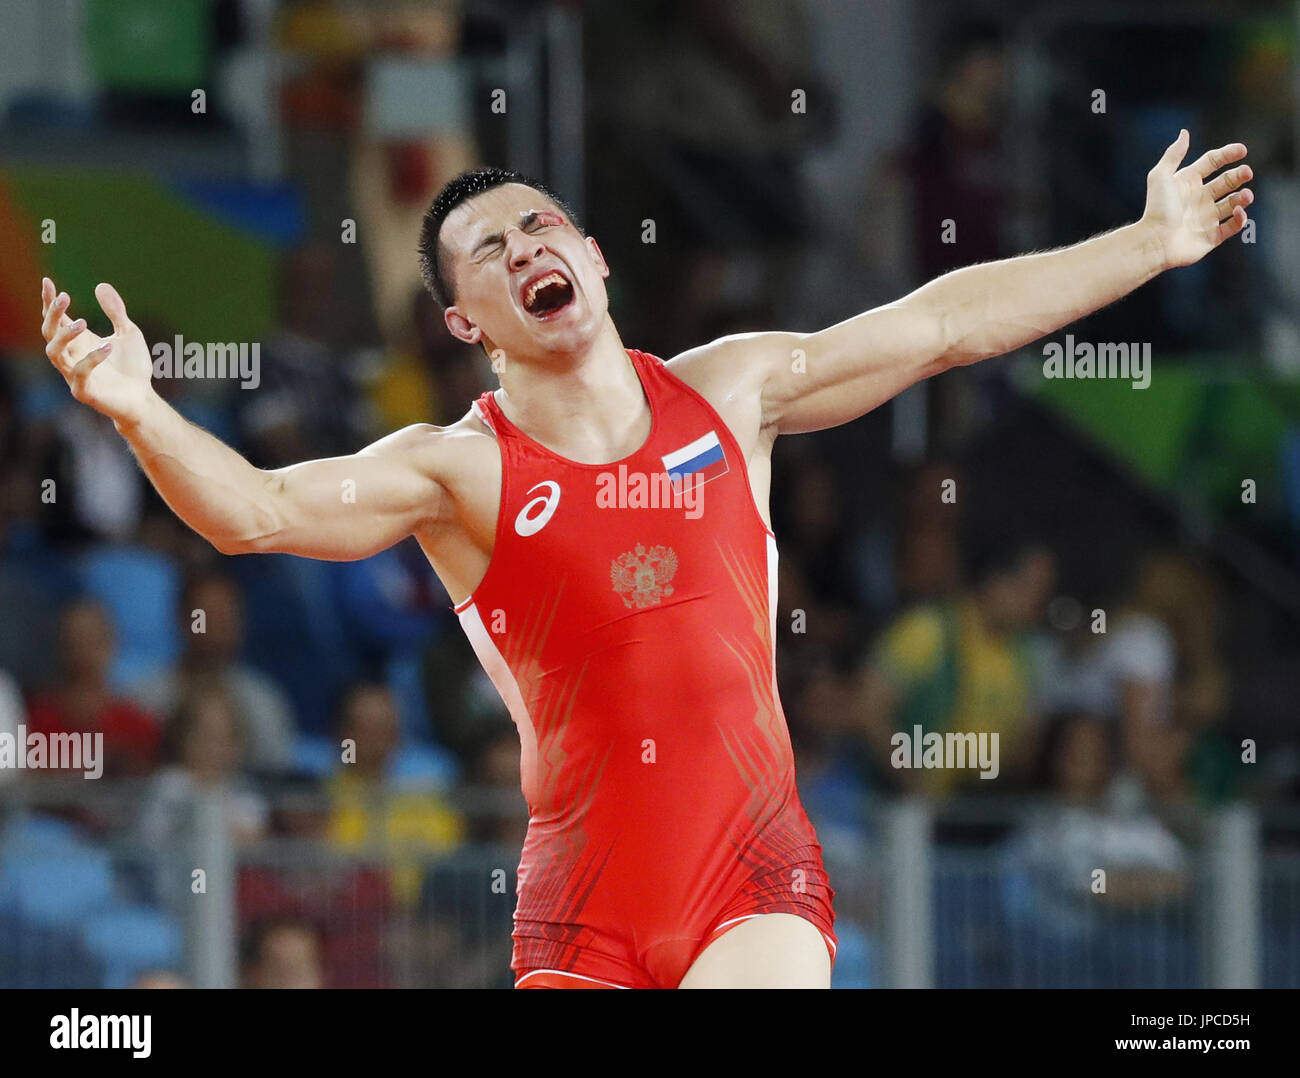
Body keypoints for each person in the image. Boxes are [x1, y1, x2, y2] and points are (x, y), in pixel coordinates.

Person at [39, 129, 1251, 988]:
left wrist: (1145, 245)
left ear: (595, 254)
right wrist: (140, 412)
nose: (523, 250)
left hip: (751, 872)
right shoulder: (455, 473)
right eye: (488, 253)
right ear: (466, 323)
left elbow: (940, 323)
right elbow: (251, 510)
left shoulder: (732, 392)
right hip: (580, 907)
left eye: (538, 225)